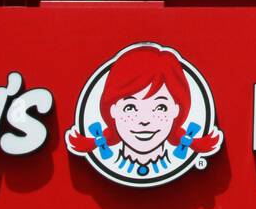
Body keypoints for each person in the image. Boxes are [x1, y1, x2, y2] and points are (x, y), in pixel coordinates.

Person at [67, 44, 221, 176]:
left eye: (160, 107)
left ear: (176, 110)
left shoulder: (177, 159)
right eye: (130, 107)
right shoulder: (109, 159)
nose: (144, 120)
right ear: (113, 109)